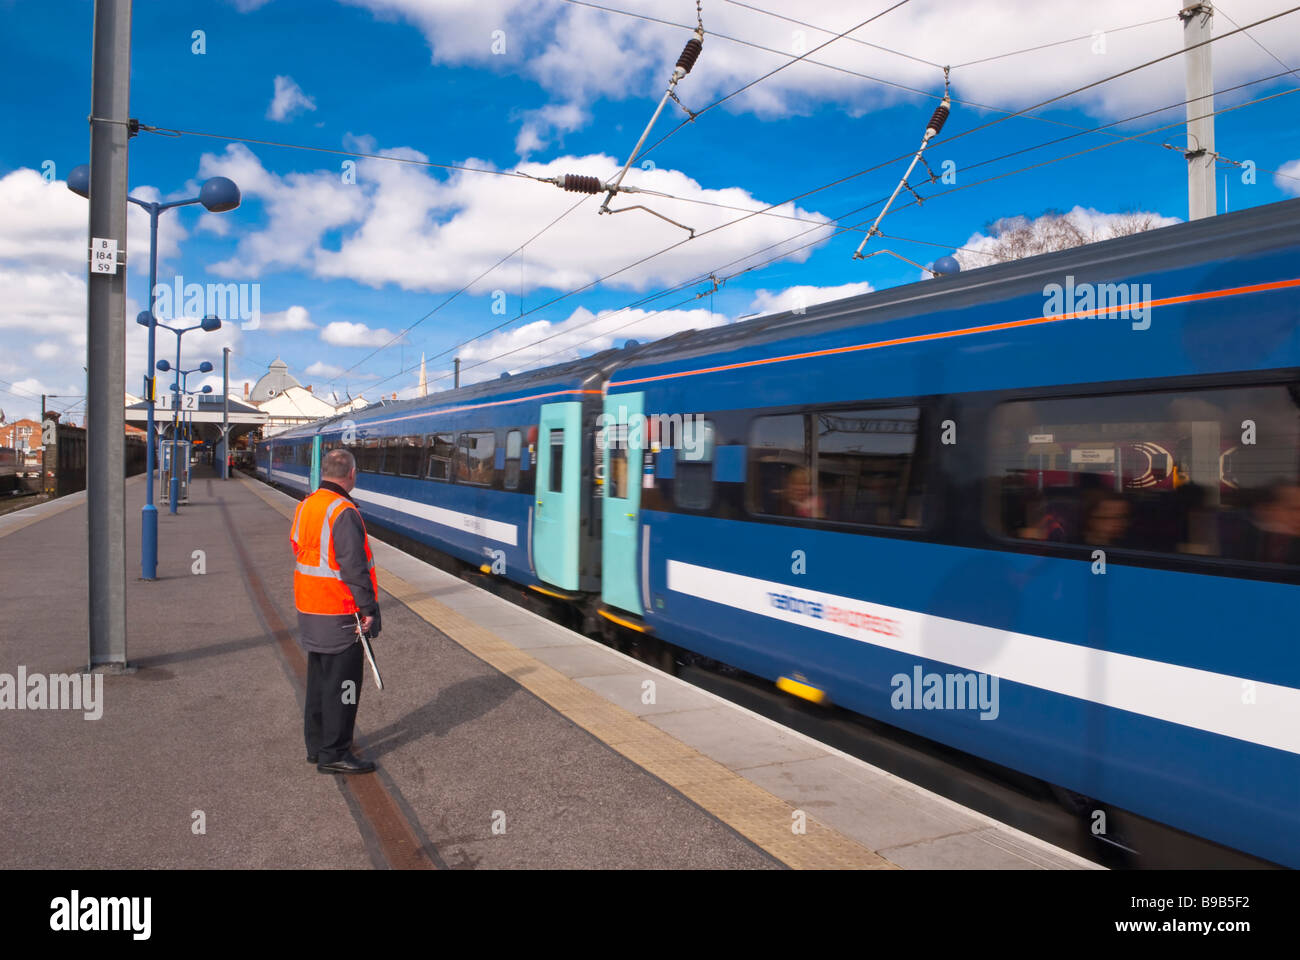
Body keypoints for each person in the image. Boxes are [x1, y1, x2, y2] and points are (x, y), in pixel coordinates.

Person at [290, 448, 382, 774]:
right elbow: (354, 568)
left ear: (323, 471)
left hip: (310, 609)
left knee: (319, 683)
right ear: (352, 474)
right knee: (345, 687)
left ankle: (317, 748)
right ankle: (336, 753)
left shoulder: (306, 506)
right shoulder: (343, 511)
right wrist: (369, 608)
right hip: (340, 613)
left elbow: (300, 550)